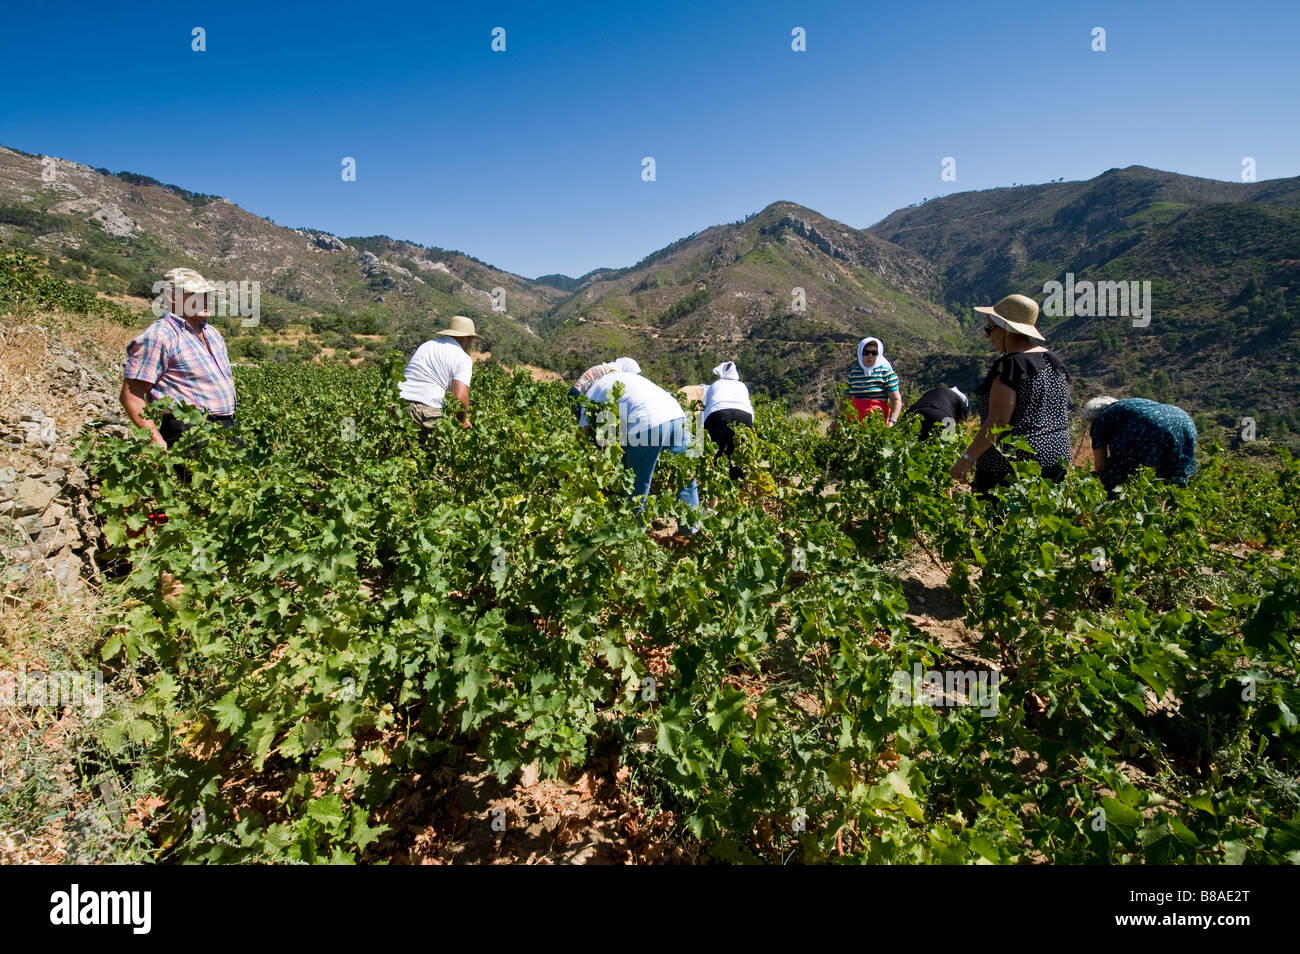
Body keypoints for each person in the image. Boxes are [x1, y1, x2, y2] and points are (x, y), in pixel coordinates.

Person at [950, 294, 1070, 496]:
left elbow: (998, 420)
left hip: (1012, 463)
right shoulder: (1053, 361)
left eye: (989, 329)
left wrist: (967, 459)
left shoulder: (1010, 366)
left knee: (997, 524)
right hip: (1057, 456)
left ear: (1006, 329)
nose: (988, 336)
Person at [120, 267, 238, 449]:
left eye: (206, 294)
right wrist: (154, 439)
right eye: (196, 294)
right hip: (188, 433)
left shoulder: (211, 333)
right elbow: (132, 395)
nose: (205, 300)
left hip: (226, 428)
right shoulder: (160, 335)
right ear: (172, 297)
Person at [580, 366, 701, 534]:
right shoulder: (628, 378)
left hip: (646, 423)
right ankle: (691, 531)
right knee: (685, 476)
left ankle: (635, 535)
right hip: (676, 415)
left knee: (636, 484)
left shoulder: (591, 393)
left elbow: (584, 434)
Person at [1082, 396, 1198, 492]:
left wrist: (1099, 483)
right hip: (1184, 420)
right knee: (1174, 473)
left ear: (1093, 418)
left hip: (1150, 426)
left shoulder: (1101, 419)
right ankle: (1173, 508)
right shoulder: (1131, 405)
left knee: (1121, 473)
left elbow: (1100, 465)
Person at [399, 315, 478, 432]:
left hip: (398, 406)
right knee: (446, 442)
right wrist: (461, 421)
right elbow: (460, 398)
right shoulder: (462, 358)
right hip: (425, 412)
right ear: (466, 338)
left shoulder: (426, 345)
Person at [699, 361, 754, 480]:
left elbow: (707, 407)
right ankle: (737, 485)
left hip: (718, 415)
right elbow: (749, 409)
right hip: (744, 416)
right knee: (738, 453)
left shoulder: (715, 385)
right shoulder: (742, 386)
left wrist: (702, 431)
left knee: (716, 451)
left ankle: (715, 481)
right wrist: (750, 428)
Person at [847, 337, 902, 424]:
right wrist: (836, 419)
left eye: (874, 353)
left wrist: (892, 421)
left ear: (879, 354)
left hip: (876, 424)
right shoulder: (854, 373)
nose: (870, 356)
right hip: (853, 424)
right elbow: (844, 399)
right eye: (866, 353)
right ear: (861, 354)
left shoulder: (886, 373)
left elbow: (896, 400)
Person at [568, 357, 640, 422]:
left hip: (576, 391)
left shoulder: (609, 367)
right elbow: (608, 388)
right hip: (578, 393)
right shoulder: (613, 372)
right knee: (583, 422)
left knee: (579, 420)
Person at [904, 386, 969, 440]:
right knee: (946, 445)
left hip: (916, 411)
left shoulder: (936, 391)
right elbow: (962, 426)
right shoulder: (962, 403)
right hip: (941, 416)